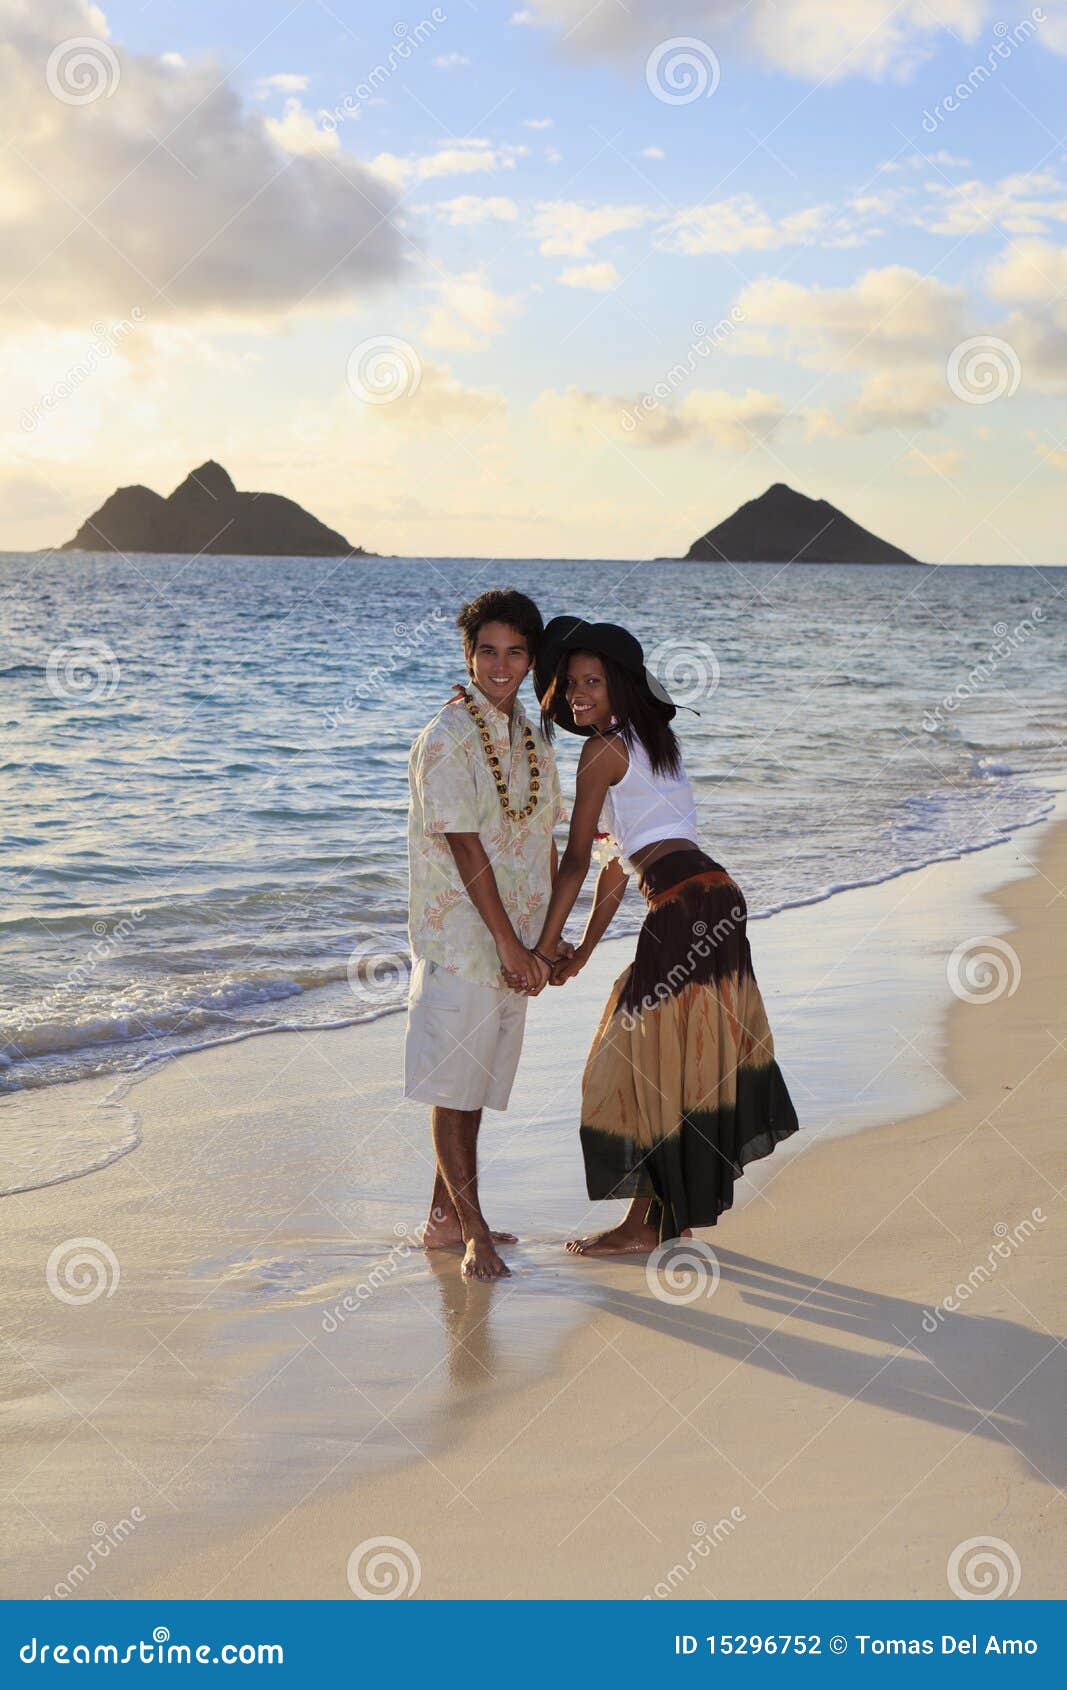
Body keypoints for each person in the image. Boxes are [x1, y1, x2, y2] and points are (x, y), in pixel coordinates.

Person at [531, 616, 800, 1256]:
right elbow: (617, 876)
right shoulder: (655, 742)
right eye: (570, 684)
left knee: (630, 1059)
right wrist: (581, 954)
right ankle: (662, 1217)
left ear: (621, 685)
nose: (578, 694)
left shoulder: (601, 751)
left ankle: (639, 1225)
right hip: (715, 897)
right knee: (673, 1061)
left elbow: (575, 862)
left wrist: (545, 949)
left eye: (592, 681)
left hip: (684, 905)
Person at [404, 589, 570, 1281]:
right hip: (463, 942)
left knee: (472, 1088)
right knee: (454, 1090)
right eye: (487, 652)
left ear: (531, 661)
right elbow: (467, 851)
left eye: (515, 653)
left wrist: (550, 940)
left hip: (518, 942)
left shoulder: (530, 739)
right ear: (467, 656)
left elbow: (546, 841)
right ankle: (473, 1232)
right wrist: (508, 945)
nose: (500, 666)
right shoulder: (446, 738)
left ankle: (443, 1220)